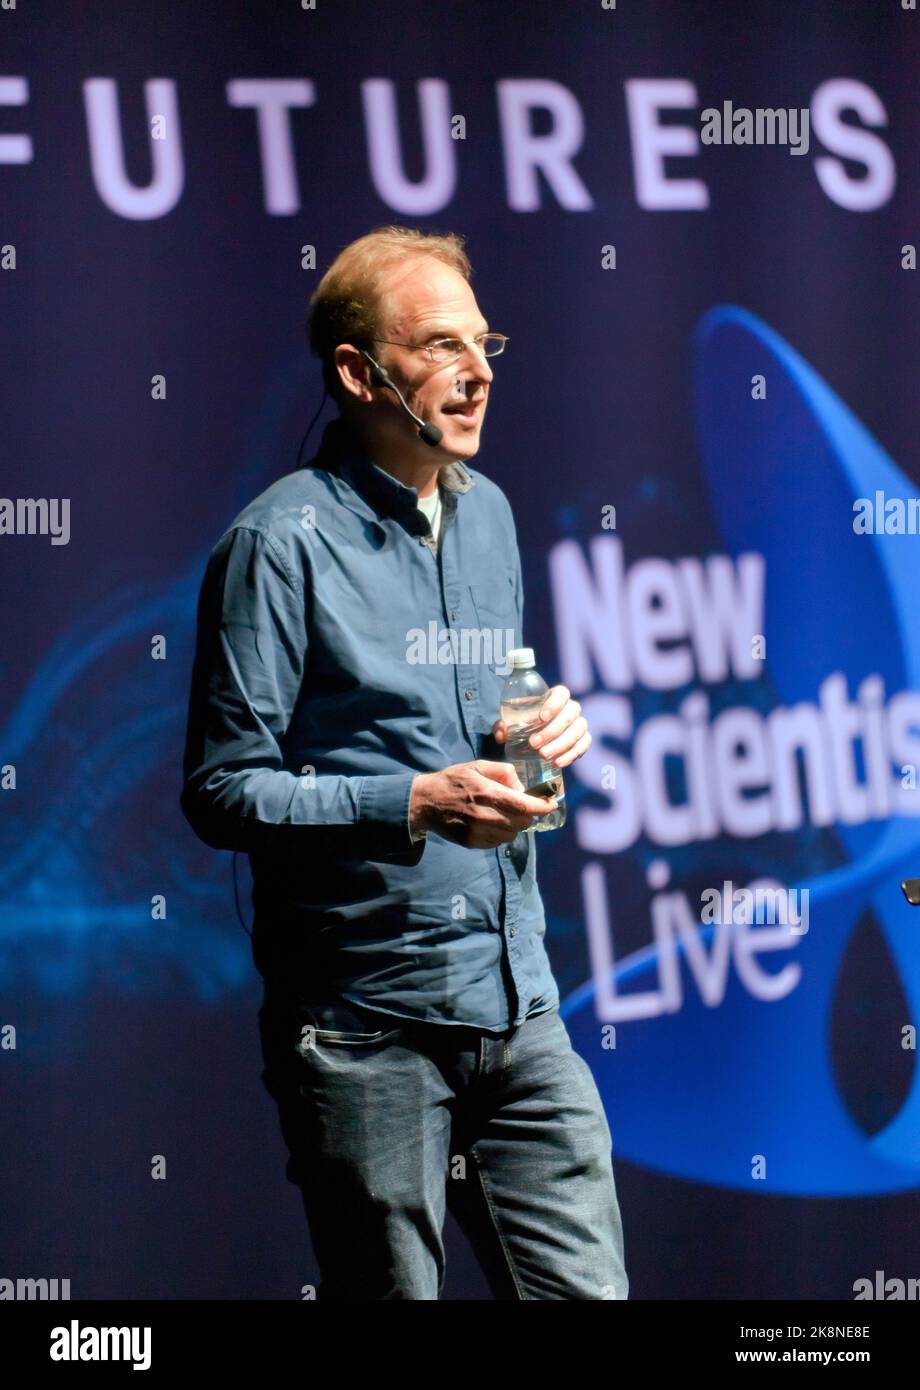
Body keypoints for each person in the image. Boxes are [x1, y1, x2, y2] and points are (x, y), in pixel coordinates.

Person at [180, 225, 629, 1301]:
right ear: (358, 373)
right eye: (440, 347)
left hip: (518, 1004)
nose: (477, 373)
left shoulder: (489, 517)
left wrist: (543, 721)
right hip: (363, 1025)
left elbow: (478, 707)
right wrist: (413, 802)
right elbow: (222, 789)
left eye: (484, 344)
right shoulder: (278, 544)